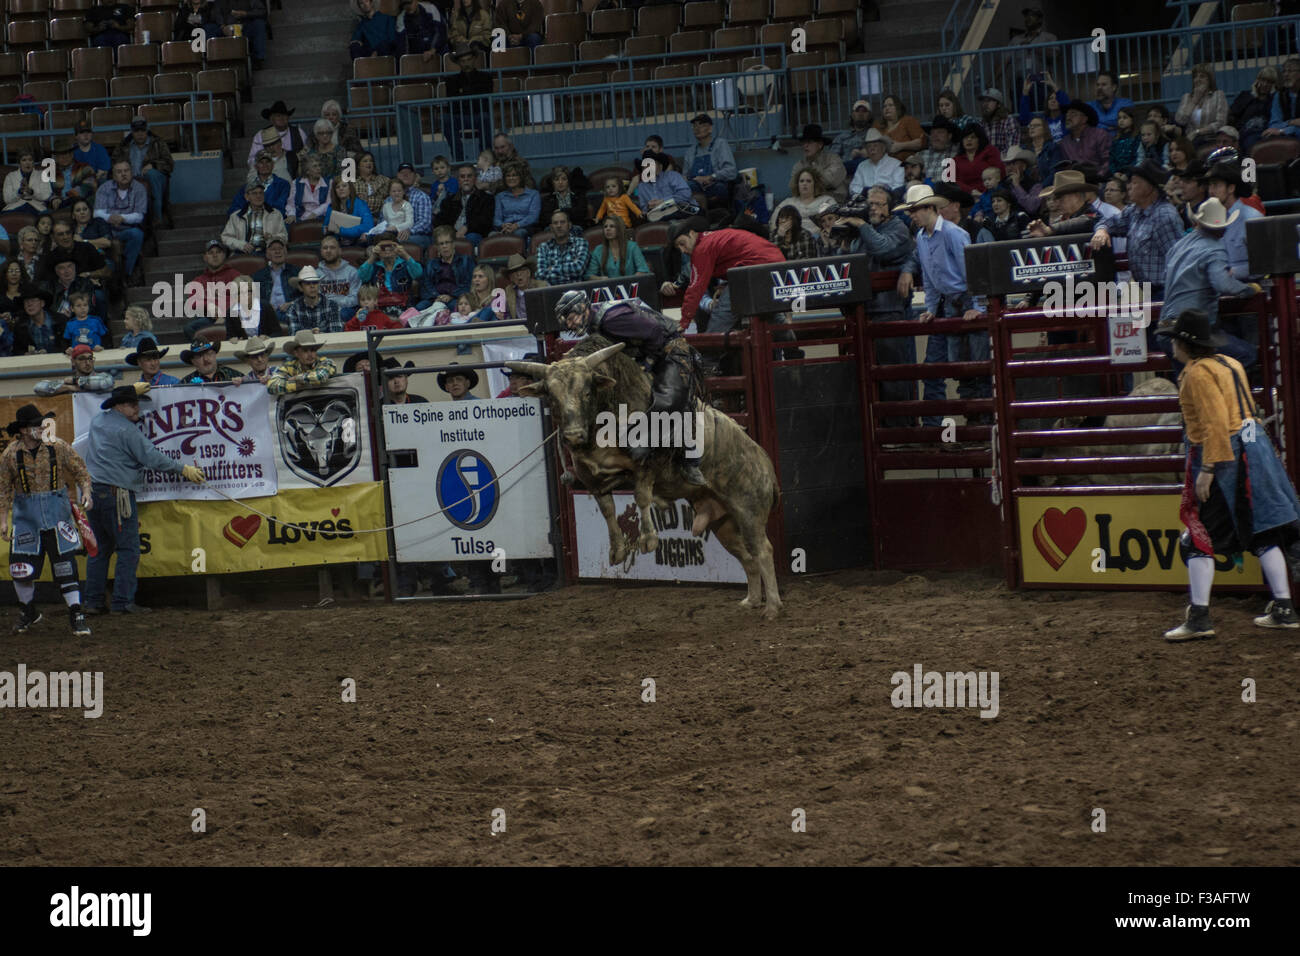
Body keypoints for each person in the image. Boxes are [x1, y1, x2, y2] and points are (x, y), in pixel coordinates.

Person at [1162, 309, 1300, 641]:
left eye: (1174, 342)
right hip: (1255, 450)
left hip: (1225, 457)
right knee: (1262, 529)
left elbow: (1214, 423)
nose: (1171, 348)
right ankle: (1283, 607)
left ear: (1184, 344)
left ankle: (1199, 617)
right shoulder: (1230, 363)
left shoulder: (1196, 374)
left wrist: (1208, 469)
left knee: (1198, 537)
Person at [555, 289, 706, 485]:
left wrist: (648, 363)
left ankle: (689, 459)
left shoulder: (610, 319)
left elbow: (655, 332)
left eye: (571, 318)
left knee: (669, 398)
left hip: (671, 350)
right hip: (648, 353)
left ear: (582, 308)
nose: (570, 324)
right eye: (567, 322)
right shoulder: (597, 325)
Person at [83, 383, 206, 614]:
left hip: (94, 492)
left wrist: (128, 391)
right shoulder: (127, 431)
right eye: (131, 404)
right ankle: (122, 603)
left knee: (100, 549)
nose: (137, 408)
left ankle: (93, 602)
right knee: (128, 549)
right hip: (116, 492)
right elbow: (151, 457)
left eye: (136, 402)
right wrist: (183, 469)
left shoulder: (98, 421)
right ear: (119, 406)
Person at [895, 184, 986, 428]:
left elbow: (971, 270)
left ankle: (980, 424)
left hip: (963, 300)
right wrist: (931, 309)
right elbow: (929, 275)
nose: (912, 215)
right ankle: (940, 425)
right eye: (911, 211)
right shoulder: (923, 237)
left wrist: (976, 304)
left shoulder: (953, 234)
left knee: (973, 366)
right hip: (948, 304)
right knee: (943, 366)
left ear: (930, 208)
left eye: (915, 210)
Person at [0, 403, 94, 636]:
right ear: (22, 430)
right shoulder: (10, 454)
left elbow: (81, 470)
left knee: (65, 566)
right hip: (26, 518)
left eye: (41, 424)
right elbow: (3, 489)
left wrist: (87, 492)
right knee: (21, 568)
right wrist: (3, 519)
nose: (41, 428)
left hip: (57, 515)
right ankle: (28, 609)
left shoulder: (58, 446)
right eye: (35, 425)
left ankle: (75, 612)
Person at [1155, 198, 1262, 373]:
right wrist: (1249, 289)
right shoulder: (1213, 249)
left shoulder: (1180, 245)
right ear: (1221, 228)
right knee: (1246, 356)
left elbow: (1167, 277)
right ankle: (1225, 398)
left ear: (1197, 222)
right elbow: (1223, 284)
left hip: (1167, 328)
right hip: (1191, 333)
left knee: (1188, 384)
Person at [670, 217, 787, 335]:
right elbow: (742, 257)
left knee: (720, 317)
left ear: (692, 233)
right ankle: (792, 350)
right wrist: (728, 282)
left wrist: (684, 322)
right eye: (678, 247)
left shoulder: (702, 248)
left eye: (682, 243)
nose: (682, 250)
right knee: (769, 313)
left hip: (755, 271)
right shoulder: (714, 237)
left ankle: (710, 352)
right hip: (777, 268)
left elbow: (695, 288)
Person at [1091, 159, 1181, 309]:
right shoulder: (1134, 210)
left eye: (1134, 182)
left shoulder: (1165, 216)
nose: (1129, 186)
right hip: (1145, 289)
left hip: (1165, 291)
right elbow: (1109, 222)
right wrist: (1102, 230)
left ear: (1149, 187)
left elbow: (1177, 259)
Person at [93, 161, 148, 284]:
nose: (123, 174)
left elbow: (139, 216)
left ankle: (126, 273)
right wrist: (110, 218)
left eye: (126, 171)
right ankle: (112, 274)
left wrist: (121, 218)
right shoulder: (105, 188)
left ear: (131, 172)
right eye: (119, 171)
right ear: (113, 175)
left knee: (137, 234)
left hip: (128, 229)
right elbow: (97, 214)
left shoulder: (139, 188)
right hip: (107, 229)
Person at [112, 118, 173, 226]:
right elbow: (114, 163)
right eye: (136, 131)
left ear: (147, 130)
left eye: (142, 130)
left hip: (153, 179)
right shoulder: (124, 145)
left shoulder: (157, 143)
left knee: (152, 174)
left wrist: (153, 165)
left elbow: (169, 164)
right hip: (132, 180)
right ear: (132, 131)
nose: (140, 134)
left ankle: (157, 217)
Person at [442, 45, 493, 160]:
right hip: (460, 117)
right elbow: (452, 105)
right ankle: (458, 159)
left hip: (478, 115)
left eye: (469, 60)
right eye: (463, 61)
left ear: (474, 59)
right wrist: (473, 94)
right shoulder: (451, 81)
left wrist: (463, 93)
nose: (466, 63)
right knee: (446, 119)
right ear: (459, 63)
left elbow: (485, 102)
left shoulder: (486, 77)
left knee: (485, 117)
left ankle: (485, 158)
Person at [682, 114, 737, 208]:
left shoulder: (720, 144)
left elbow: (731, 171)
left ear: (710, 128)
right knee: (687, 188)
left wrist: (711, 177)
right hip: (696, 188)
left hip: (715, 185)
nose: (697, 128)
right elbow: (685, 176)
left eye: (702, 125)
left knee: (720, 189)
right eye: (695, 126)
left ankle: (718, 214)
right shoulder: (690, 152)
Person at [357, 233, 422, 312]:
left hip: (403, 306)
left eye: (390, 246)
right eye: (383, 247)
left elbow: (418, 273)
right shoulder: (373, 266)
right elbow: (362, 276)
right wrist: (373, 256)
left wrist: (405, 255)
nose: (387, 250)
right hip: (379, 307)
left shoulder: (405, 264)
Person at [434, 164, 494, 248]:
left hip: (474, 235)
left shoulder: (486, 198)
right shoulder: (448, 200)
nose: (466, 179)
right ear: (458, 180)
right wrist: (452, 233)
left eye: (469, 176)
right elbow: (439, 221)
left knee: (471, 237)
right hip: (451, 235)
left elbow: (485, 221)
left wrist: (466, 228)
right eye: (462, 177)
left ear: (475, 179)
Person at [220, 181, 288, 254]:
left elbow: (284, 237)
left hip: (268, 252)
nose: (258, 196)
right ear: (247, 197)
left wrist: (272, 238)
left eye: (261, 193)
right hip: (243, 252)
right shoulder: (236, 216)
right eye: (254, 193)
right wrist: (241, 245)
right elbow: (225, 237)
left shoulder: (275, 214)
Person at [789, 125, 849, 203]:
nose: (805, 146)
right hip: (807, 204)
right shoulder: (799, 165)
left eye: (809, 142)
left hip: (834, 203)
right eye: (804, 142)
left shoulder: (833, 159)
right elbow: (793, 186)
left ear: (820, 145)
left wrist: (805, 184)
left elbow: (829, 181)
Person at [267, 330, 339, 394]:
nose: (310, 354)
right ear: (296, 353)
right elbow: (272, 386)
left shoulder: (327, 362)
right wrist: (295, 385)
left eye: (313, 350)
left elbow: (321, 376)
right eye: (305, 350)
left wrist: (296, 378)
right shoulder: (288, 366)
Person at [772, 170, 836, 237]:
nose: (804, 184)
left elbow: (837, 222)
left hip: (821, 239)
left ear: (815, 184)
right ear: (797, 184)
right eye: (801, 181)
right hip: (794, 240)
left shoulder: (827, 201)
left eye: (808, 181)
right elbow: (773, 222)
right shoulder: (788, 203)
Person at [283, 266, 345, 333]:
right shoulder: (293, 308)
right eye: (307, 283)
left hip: (328, 343)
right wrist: (310, 334)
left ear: (318, 285)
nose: (312, 286)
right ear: (300, 287)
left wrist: (317, 335)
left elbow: (336, 333)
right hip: (303, 343)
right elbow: (294, 335)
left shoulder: (332, 306)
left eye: (315, 283)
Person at [249, 101, 309, 170]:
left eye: (284, 115)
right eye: (278, 116)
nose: (282, 118)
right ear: (271, 119)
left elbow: (307, 153)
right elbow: (252, 159)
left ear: (288, 117)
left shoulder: (299, 132)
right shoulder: (261, 135)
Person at [534, 211, 589, 286]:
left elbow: (579, 269)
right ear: (551, 227)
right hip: (551, 292)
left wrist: (551, 268)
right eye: (555, 223)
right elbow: (540, 275)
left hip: (577, 291)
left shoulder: (581, 243)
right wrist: (570, 268)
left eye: (562, 222)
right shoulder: (543, 247)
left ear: (569, 225)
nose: (559, 226)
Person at [1232, 66, 1279, 153]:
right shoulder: (1245, 95)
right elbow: (1234, 113)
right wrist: (1253, 95)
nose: (1264, 84)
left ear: (1274, 85)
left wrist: (1272, 95)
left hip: (1262, 133)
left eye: (1269, 82)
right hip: (1243, 132)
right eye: (1262, 80)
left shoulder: (1275, 99)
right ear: (1257, 81)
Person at [1058, 101, 1111, 177]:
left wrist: (1098, 177)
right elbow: (1065, 167)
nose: (1068, 117)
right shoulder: (1065, 142)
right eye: (1067, 114)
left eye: (1073, 113)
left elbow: (1108, 161)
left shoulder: (1100, 135)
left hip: (1097, 180)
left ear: (1084, 119)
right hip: (1074, 183)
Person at [213, 0, 269, 70]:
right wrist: (222, 26)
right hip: (227, 27)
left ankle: (258, 59)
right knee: (210, 28)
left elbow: (262, 11)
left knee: (259, 24)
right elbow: (216, 14)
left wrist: (246, 13)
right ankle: (214, 61)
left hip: (246, 26)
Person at [317, 235, 362, 321]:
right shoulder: (316, 274)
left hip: (346, 310)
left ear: (340, 251)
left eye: (332, 247)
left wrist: (335, 302)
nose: (328, 251)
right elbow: (316, 300)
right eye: (325, 248)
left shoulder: (352, 272)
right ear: (321, 252)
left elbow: (355, 299)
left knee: (343, 314)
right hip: (324, 311)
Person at [848, 129, 904, 196]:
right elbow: (853, 188)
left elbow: (899, 186)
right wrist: (868, 191)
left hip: (889, 201)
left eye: (875, 145)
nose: (872, 149)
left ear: (883, 148)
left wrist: (882, 191)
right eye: (869, 146)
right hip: (865, 201)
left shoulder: (896, 164)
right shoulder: (862, 166)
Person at [493, 163, 541, 240]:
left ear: (521, 177)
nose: (511, 178)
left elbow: (533, 217)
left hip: (525, 227)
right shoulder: (500, 196)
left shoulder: (533, 194)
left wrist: (517, 225)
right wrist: (503, 225)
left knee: (518, 233)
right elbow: (496, 219)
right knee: (492, 235)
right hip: (505, 228)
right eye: (508, 176)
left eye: (514, 175)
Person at [952, 125, 1005, 195]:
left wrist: (983, 194)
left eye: (973, 137)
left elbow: (999, 173)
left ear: (980, 139)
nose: (969, 140)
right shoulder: (955, 159)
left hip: (991, 193)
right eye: (965, 137)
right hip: (966, 195)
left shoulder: (990, 151)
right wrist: (972, 191)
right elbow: (952, 181)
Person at [323, 179, 375, 247]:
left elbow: (368, 226)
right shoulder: (331, 207)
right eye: (337, 187)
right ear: (335, 191)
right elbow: (326, 226)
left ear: (350, 189)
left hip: (357, 241)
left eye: (344, 186)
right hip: (337, 243)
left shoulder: (360, 204)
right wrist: (325, 229)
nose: (341, 188)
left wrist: (341, 231)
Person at [392, 164, 433, 248]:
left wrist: (409, 230)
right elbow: (383, 221)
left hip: (418, 235)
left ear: (414, 176)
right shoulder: (389, 199)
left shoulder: (422, 197)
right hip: (394, 233)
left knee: (396, 241)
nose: (405, 175)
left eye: (409, 173)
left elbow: (425, 223)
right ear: (397, 176)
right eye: (402, 173)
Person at [878, 95, 927, 165]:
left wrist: (900, 146)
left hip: (908, 165)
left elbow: (922, 142)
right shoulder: (881, 129)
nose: (887, 108)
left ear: (898, 108)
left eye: (890, 105)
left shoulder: (908, 121)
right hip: (886, 167)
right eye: (884, 106)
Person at [832, 100, 876, 175]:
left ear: (869, 116)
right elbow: (832, 160)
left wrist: (869, 154)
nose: (860, 113)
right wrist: (850, 157)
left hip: (869, 173)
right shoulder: (841, 137)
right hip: (846, 174)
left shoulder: (875, 134)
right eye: (857, 111)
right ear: (852, 115)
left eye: (864, 111)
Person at [283, 156, 330, 225]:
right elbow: (291, 203)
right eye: (315, 166)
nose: (319, 168)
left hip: (321, 216)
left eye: (319, 166)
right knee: (287, 225)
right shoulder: (296, 183)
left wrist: (314, 213)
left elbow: (328, 203)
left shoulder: (329, 182)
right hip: (301, 216)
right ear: (307, 171)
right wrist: (291, 214)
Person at [502, 254, 547, 324]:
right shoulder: (508, 291)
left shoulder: (543, 286)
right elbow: (506, 315)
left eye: (522, 270)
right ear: (511, 278)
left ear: (528, 273)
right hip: (518, 330)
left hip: (540, 328)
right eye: (514, 271)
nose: (518, 274)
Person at [3, 151, 52, 215]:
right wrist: (19, 192)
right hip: (14, 208)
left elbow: (46, 196)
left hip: (37, 207)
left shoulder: (42, 175)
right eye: (24, 160)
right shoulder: (10, 176)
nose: (27, 163)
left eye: (30, 160)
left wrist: (31, 191)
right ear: (19, 163)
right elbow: (7, 199)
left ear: (33, 162)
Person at [976, 89, 1020, 156]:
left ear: (998, 104)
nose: (985, 104)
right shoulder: (981, 123)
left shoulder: (1009, 121)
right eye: (983, 101)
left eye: (989, 101)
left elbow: (1011, 150)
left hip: (1004, 163)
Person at [302, 119, 344, 183]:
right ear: (316, 135)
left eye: (328, 132)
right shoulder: (311, 153)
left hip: (334, 186)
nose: (325, 135)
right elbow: (308, 175)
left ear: (332, 133)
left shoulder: (340, 150)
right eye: (321, 133)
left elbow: (342, 173)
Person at [354, 152, 390, 218]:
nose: (369, 163)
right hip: (359, 217)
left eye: (371, 161)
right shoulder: (353, 183)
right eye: (365, 161)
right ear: (358, 165)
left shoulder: (383, 180)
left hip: (379, 216)